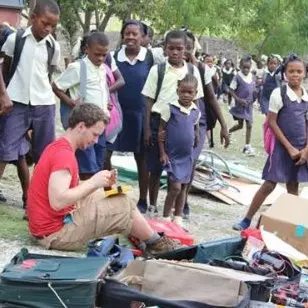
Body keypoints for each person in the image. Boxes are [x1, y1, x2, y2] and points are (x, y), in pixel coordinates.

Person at [27, 103, 180, 254]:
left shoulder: (59, 146)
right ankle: (155, 243)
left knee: (116, 194)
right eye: (95, 134)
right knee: (121, 203)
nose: (95, 140)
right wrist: (94, 182)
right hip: (56, 234)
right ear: (81, 126)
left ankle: (148, 238)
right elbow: (58, 201)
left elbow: (65, 189)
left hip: (49, 226)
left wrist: (99, 183)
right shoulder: (64, 155)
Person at [233, 55, 308, 231]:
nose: (295, 75)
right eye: (291, 71)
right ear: (285, 74)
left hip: (300, 149)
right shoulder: (279, 93)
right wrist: (288, 148)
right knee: (269, 184)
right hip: (282, 148)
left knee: (293, 186)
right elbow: (272, 122)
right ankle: (247, 219)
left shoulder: (306, 97)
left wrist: (305, 150)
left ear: (304, 73)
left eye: (299, 71)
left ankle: (292, 226)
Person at [0, 0, 60, 216]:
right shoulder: (15, 39)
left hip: (44, 105)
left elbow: (48, 74)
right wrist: (4, 95)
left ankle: (34, 204)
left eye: (53, 26)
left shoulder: (54, 46)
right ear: (33, 18)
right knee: (4, 151)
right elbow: (5, 68)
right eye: (45, 23)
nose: (48, 29)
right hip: (15, 103)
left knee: (43, 157)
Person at [142, 30, 204, 214]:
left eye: (179, 49)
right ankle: (152, 204)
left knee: (179, 170)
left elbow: (197, 102)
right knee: (155, 167)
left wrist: (197, 130)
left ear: (186, 50)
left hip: (183, 127)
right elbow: (148, 101)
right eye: (171, 48)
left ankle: (173, 209)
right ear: (164, 49)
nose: (175, 52)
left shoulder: (192, 71)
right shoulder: (157, 70)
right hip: (158, 123)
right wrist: (147, 128)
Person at [52, 32, 123, 180]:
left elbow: (99, 89)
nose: (101, 58)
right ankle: (82, 198)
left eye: (104, 55)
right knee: (87, 167)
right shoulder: (78, 68)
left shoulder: (102, 68)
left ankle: (91, 200)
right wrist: (71, 102)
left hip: (100, 126)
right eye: (97, 54)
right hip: (84, 126)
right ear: (87, 49)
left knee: (98, 164)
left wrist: (105, 102)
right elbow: (56, 86)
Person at [107, 20, 154, 211]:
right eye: (127, 33)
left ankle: (143, 199)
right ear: (122, 35)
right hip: (116, 113)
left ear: (143, 37)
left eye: (135, 34)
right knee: (105, 154)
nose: (131, 37)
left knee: (141, 158)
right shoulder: (112, 57)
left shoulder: (150, 58)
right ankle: (109, 193)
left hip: (140, 115)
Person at [183, 31, 229, 217]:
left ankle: (183, 200)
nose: (184, 50)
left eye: (188, 47)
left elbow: (211, 99)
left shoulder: (202, 69)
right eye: (181, 46)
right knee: (178, 162)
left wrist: (224, 125)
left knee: (191, 161)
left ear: (193, 47)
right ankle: (175, 197)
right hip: (176, 120)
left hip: (198, 122)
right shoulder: (167, 68)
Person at [158, 75, 200, 225]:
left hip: (187, 156)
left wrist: (197, 137)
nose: (186, 95)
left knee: (184, 188)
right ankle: (165, 216)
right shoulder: (170, 108)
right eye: (183, 92)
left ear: (195, 93)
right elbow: (161, 131)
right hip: (173, 156)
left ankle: (178, 217)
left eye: (190, 92)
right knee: (175, 187)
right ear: (177, 91)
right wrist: (163, 152)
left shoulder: (196, 111)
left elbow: (194, 128)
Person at [228, 56, 256, 156]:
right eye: (244, 67)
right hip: (240, 105)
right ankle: (229, 131)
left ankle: (247, 146)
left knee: (249, 125)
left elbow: (253, 89)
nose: (246, 70)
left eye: (248, 68)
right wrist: (238, 99)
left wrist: (254, 96)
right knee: (240, 125)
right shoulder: (237, 77)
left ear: (250, 67)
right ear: (240, 66)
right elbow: (230, 90)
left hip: (249, 105)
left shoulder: (252, 77)